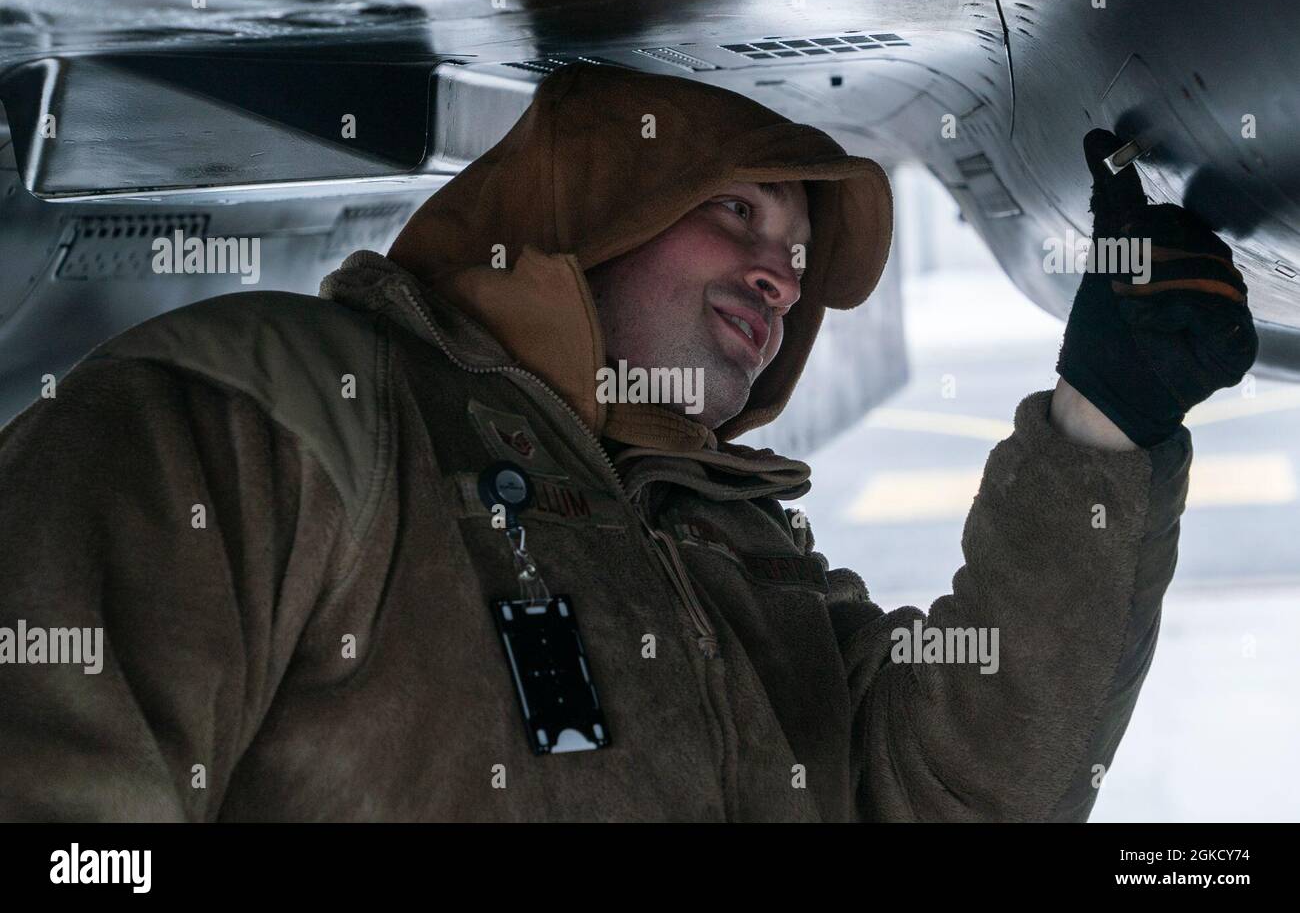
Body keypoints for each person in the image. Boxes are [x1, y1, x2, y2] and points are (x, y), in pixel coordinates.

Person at [0, 63, 1255, 821]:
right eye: (737, 212)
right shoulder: (279, 412)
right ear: (586, 212)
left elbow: (953, 794)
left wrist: (1103, 423)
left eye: (801, 259)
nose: (780, 275)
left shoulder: (740, 558)